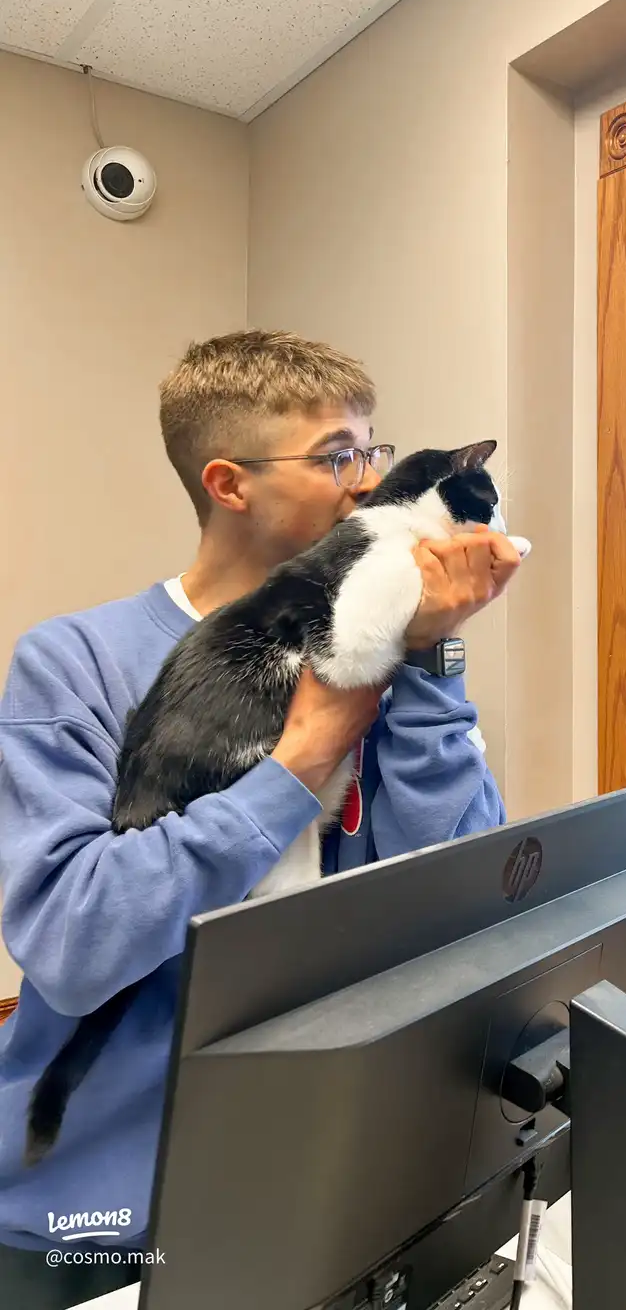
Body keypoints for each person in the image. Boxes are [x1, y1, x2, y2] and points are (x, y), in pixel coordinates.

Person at [0, 330, 522, 1309]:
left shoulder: (384, 648)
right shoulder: (74, 664)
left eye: (373, 451)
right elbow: (72, 943)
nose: (370, 485)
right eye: (337, 457)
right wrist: (303, 759)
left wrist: (433, 658)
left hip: (326, 1175)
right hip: (108, 1201)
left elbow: (461, 896)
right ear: (230, 485)